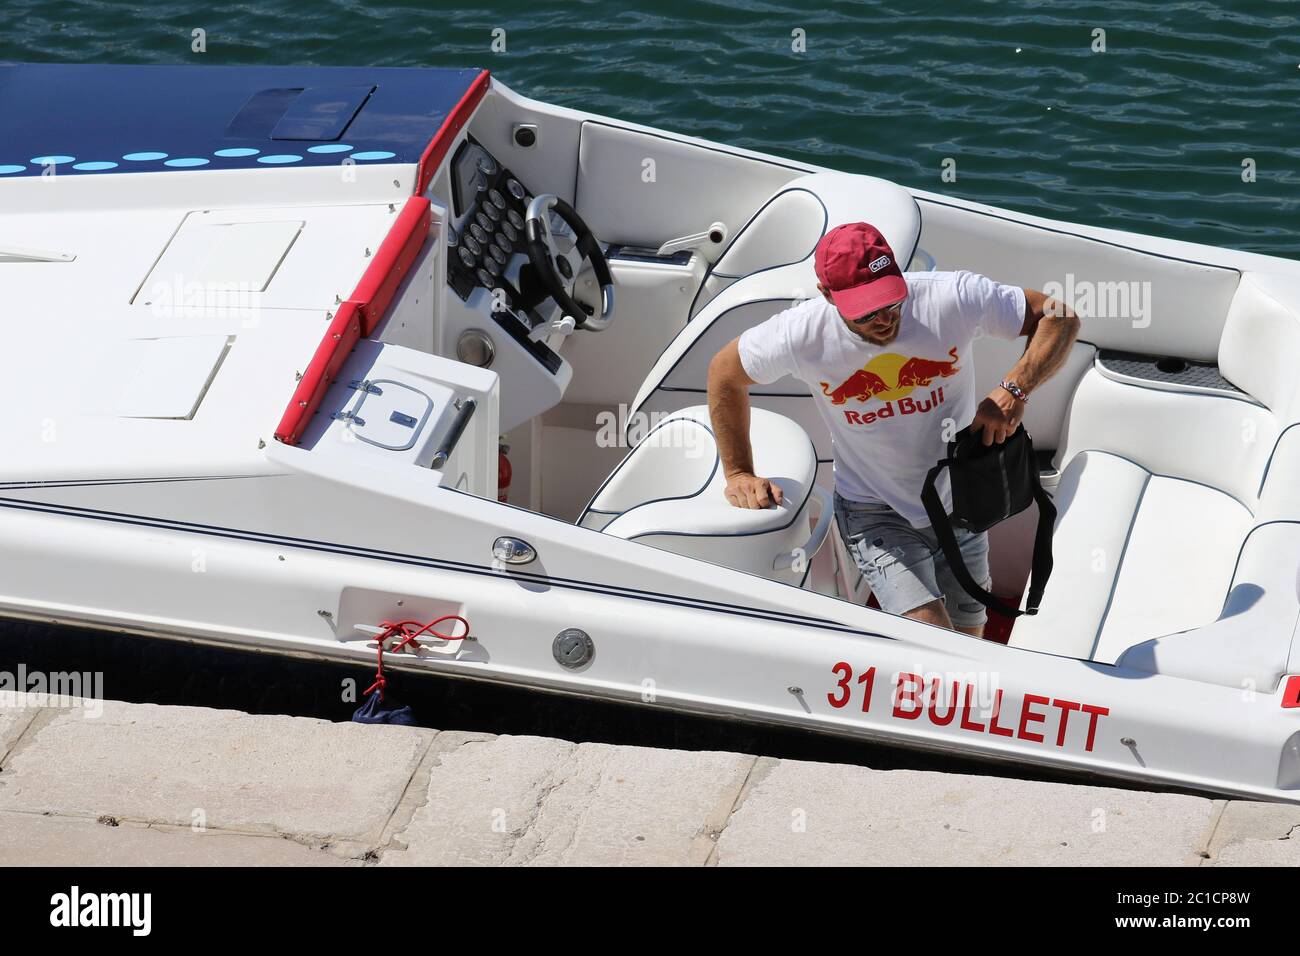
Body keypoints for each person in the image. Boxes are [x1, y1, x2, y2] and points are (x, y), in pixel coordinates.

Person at [706, 221, 1080, 636]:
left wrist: (1014, 390)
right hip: (873, 512)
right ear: (827, 295)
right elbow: (725, 373)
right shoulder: (799, 333)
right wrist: (738, 472)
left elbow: (1059, 316)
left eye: (892, 300)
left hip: (961, 502)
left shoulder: (950, 296)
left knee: (970, 639)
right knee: (932, 641)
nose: (885, 319)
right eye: (866, 311)